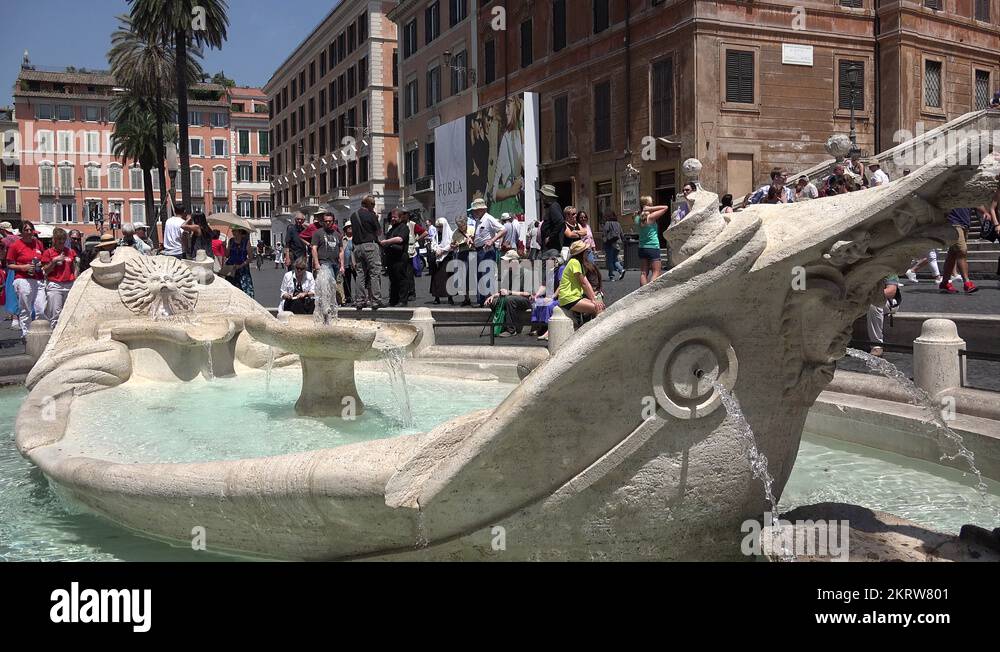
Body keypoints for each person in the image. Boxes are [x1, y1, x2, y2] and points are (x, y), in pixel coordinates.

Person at [6, 221, 46, 338]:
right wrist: (23, 267)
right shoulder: (15, 246)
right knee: (26, 307)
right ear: (21, 232)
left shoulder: (38, 243)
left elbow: (42, 258)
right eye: (26, 230)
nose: (29, 232)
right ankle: (26, 333)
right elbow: (9, 264)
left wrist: (40, 264)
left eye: (30, 230)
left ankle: (39, 330)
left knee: (41, 307)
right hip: (23, 278)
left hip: (38, 278)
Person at [488, 95, 525, 218]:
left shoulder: (514, 136)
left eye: (508, 105)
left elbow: (525, 161)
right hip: (511, 201)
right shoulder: (507, 137)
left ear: (516, 107)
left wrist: (520, 123)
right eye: (505, 107)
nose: (506, 111)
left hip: (518, 200)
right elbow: (493, 192)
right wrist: (510, 191)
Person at [350, 195, 385, 310]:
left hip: (357, 247)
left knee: (360, 274)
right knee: (374, 273)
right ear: (369, 204)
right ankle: (376, 300)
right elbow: (379, 232)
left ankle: (359, 300)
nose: (374, 207)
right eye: (373, 204)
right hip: (370, 245)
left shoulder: (353, 216)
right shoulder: (371, 215)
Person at [559, 240, 605, 319]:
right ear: (582, 253)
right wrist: (594, 299)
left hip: (575, 297)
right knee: (598, 308)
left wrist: (595, 299)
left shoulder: (579, 264)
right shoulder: (575, 262)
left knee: (600, 305)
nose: (587, 253)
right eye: (586, 251)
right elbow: (584, 283)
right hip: (569, 298)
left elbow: (586, 283)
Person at [41, 227, 76, 329]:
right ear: (54, 240)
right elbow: (45, 271)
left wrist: (76, 279)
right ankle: (54, 334)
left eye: (63, 239)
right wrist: (54, 261)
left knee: (69, 312)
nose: (61, 241)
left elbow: (74, 267)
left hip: (69, 284)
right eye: (59, 239)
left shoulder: (70, 251)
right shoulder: (48, 253)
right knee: (56, 312)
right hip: (55, 285)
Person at [471, 198, 503, 305]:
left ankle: (488, 300)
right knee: (480, 275)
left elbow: (503, 229)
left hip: (487, 250)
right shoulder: (478, 221)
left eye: (475, 210)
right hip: (479, 250)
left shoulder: (488, 218)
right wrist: (473, 240)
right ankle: (482, 300)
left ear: (481, 209)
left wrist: (492, 240)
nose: (474, 212)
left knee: (486, 275)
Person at [939, 207, 978, 294]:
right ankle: (967, 283)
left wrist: (986, 212)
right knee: (962, 251)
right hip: (953, 223)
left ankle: (944, 283)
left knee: (952, 254)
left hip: (965, 223)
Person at [634, 196, 670, 286]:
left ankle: (643, 293)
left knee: (643, 273)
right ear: (648, 205)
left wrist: (644, 209)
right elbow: (666, 207)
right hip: (653, 247)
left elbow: (640, 215)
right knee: (656, 272)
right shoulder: (651, 217)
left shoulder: (636, 217)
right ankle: (650, 293)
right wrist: (650, 209)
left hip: (641, 247)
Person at [380, 208, 410, 307]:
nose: (393, 219)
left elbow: (400, 239)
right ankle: (393, 299)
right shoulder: (391, 229)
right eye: (392, 217)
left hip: (400, 257)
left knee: (401, 279)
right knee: (393, 280)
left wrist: (386, 242)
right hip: (391, 258)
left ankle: (402, 300)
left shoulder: (404, 227)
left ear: (400, 217)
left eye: (395, 217)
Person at [867, 276, 902, 357]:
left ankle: (876, 344)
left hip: (887, 301)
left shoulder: (889, 268)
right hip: (862, 299)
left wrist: (866, 296)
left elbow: (891, 291)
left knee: (874, 304)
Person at [311, 212, 342, 281]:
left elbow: (341, 250)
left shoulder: (337, 235)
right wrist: (316, 263)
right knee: (325, 287)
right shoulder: (318, 233)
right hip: (323, 264)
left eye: (330, 221)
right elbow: (314, 248)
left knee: (336, 287)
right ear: (323, 222)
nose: (328, 223)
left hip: (335, 264)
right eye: (326, 221)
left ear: (333, 222)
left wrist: (342, 265)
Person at [225, 228, 255, 298]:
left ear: (240, 232)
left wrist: (241, 265)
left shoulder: (246, 241)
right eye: (232, 231)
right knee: (231, 288)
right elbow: (227, 255)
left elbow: (250, 257)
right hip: (231, 267)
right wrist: (224, 247)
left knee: (245, 289)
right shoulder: (231, 241)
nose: (233, 232)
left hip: (242, 268)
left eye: (234, 231)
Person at [431, 217, 454, 305]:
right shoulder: (436, 234)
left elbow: (451, 244)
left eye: (440, 227)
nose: (439, 229)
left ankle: (450, 297)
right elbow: (433, 243)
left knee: (448, 278)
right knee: (436, 278)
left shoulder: (450, 234)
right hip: (437, 257)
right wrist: (436, 249)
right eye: (437, 227)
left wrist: (443, 250)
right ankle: (437, 297)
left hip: (447, 258)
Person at [1, 221, 19, 328]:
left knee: (10, 292)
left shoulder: (4, 241)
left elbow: (2, 256)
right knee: (17, 292)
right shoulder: (18, 239)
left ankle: (14, 317)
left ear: (3, 231)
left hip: (9, 267)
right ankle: (17, 316)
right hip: (19, 266)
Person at [451, 214, 473, 306]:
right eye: (458, 226)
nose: (460, 227)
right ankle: (466, 298)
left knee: (474, 276)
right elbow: (452, 244)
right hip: (462, 255)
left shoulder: (472, 229)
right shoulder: (455, 233)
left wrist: (471, 239)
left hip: (472, 253)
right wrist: (453, 245)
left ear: (466, 223)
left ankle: (481, 298)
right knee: (464, 277)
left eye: (462, 225)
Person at [538, 184, 565, 257]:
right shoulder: (551, 207)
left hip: (552, 248)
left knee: (547, 267)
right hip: (548, 248)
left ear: (546, 196)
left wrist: (550, 237)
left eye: (542, 195)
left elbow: (560, 222)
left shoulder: (554, 206)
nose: (541, 197)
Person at [601, 211, 626, 282]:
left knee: (610, 260)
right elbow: (622, 234)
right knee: (615, 259)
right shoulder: (618, 224)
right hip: (618, 244)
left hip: (610, 244)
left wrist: (604, 243)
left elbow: (604, 234)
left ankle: (611, 275)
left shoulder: (607, 223)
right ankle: (621, 270)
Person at [340, 222, 355, 306]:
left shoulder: (356, 238)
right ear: (345, 229)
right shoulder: (342, 239)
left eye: (351, 226)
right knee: (346, 281)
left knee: (358, 280)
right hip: (345, 263)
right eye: (348, 227)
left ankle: (360, 296)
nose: (350, 228)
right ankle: (348, 297)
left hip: (354, 263)